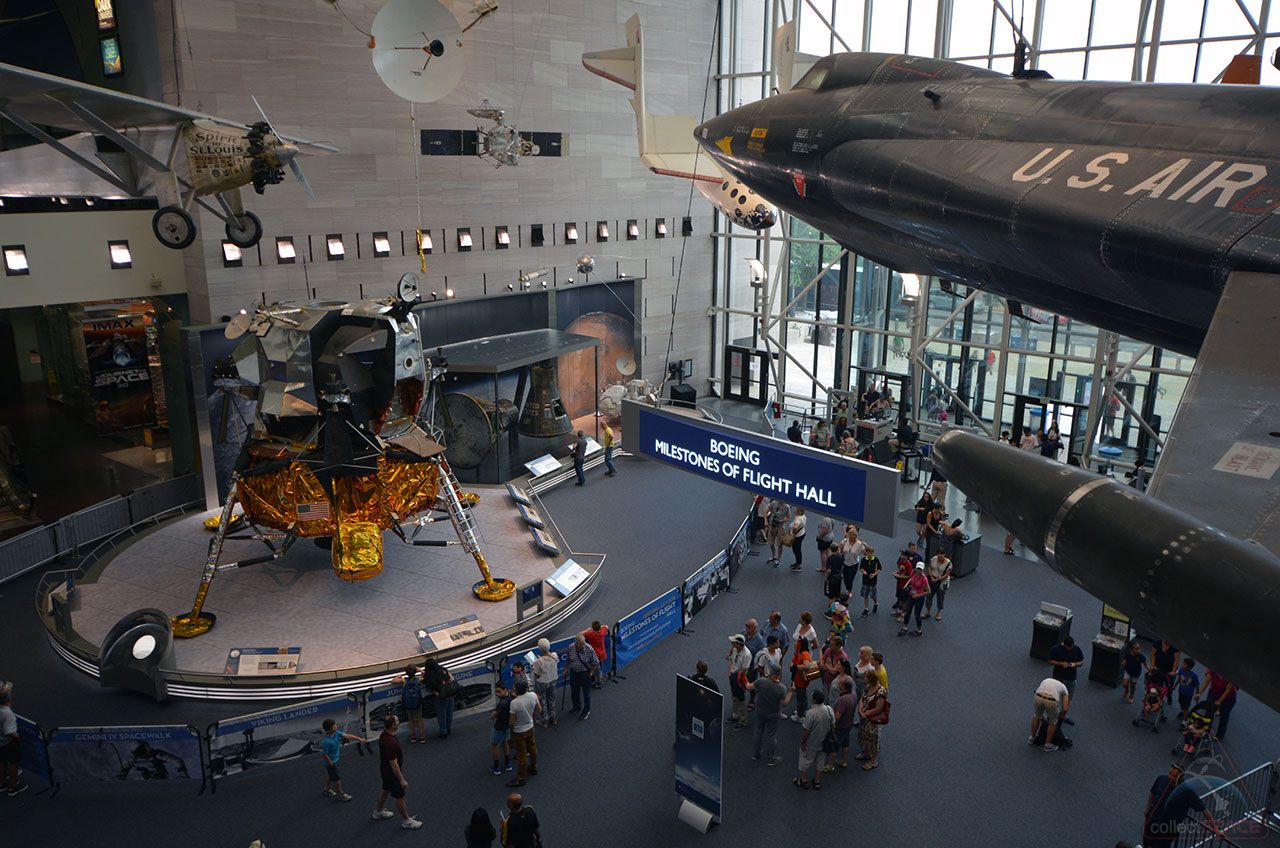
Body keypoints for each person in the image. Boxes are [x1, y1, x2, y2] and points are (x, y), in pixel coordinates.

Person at [1143, 763, 1222, 846]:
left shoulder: (1186, 791)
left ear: (1181, 777)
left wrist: (1215, 829)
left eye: (1174, 776)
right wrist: (1147, 809)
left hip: (1167, 829)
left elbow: (1204, 810)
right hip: (1152, 821)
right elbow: (1152, 793)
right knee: (1146, 843)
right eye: (1170, 773)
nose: (1170, 777)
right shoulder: (1161, 779)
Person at [371, 715, 422, 829]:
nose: (399, 722)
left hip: (385, 770)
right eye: (397, 721)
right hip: (392, 774)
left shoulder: (384, 735)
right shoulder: (390, 743)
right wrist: (402, 780)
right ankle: (407, 821)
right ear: (392, 725)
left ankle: (378, 812)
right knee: (400, 797)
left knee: (385, 790)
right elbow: (394, 765)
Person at [745, 664, 790, 766]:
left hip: (760, 711)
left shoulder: (762, 681)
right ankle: (771, 758)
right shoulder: (781, 688)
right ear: (779, 675)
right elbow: (784, 704)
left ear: (771, 673)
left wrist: (743, 676)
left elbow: (748, 687)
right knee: (771, 735)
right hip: (773, 714)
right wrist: (790, 693)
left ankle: (756, 754)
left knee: (758, 732)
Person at [793, 690, 833, 790]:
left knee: (805, 759)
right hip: (825, 741)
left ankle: (803, 780)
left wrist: (803, 742)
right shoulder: (829, 709)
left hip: (812, 742)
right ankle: (817, 781)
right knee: (821, 760)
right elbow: (833, 724)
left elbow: (806, 731)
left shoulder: (811, 713)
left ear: (814, 700)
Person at [320, 717, 365, 801]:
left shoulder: (337, 733)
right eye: (334, 726)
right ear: (329, 729)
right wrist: (331, 764)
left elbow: (347, 736)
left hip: (334, 760)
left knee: (331, 775)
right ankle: (341, 794)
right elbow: (325, 754)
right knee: (337, 778)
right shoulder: (326, 742)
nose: (336, 726)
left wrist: (359, 739)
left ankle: (326, 789)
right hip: (330, 763)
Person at [506, 679, 540, 787]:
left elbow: (512, 721)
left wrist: (511, 729)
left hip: (518, 731)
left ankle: (521, 778)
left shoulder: (514, 703)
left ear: (516, 690)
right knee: (532, 748)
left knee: (521, 754)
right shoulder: (533, 695)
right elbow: (538, 709)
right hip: (530, 727)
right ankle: (533, 767)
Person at [1048, 636, 1084, 725]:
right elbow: (1050, 661)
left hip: (1071, 678)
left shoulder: (1076, 649)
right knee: (1055, 698)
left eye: (1071, 647)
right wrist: (1061, 663)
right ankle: (1052, 716)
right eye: (1068, 647)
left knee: (1068, 699)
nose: (1070, 649)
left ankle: (1062, 716)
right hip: (1058, 678)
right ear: (1064, 644)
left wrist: (1076, 664)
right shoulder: (1056, 649)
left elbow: (1081, 662)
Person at [856, 670, 887, 769]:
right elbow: (862, 699)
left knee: (873, 739)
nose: (863, 679)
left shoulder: (881, 692)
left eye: (865, 678)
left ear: (871, 679)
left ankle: (873, 761)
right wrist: (860, 709)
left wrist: (865, 713)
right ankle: (866, 752)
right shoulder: (868, 687)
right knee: (865, 735)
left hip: (874, 720)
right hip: (865, 717)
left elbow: (878, 708)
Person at [824, 678, 857, 772]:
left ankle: (831, 766)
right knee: (845, 743)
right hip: (849, 723)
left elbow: (837, 716)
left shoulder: (843, 700)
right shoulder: (853, 695)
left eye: (840, 683)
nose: (838, 683)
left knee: (834, 746)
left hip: (840, 726)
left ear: (844, 687)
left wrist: (831, 722)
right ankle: (843, 761)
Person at [565, 634, 600, 720]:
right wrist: (566, 668)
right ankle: (577, 707)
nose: (583, 646)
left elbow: (596, 663)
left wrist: (591, 673)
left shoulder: (589, 649)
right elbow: (568, 659)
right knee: (574, 692)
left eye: (584, 643)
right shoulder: (570, 647)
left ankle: (586, 711)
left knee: (586, 694)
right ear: (576, 644)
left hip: (585, 673)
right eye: (581, 644)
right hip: (574, 672)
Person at [1029, 677, 1069, 753]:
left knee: (1036, 716)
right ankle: (1048, 745)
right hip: (1052, 700)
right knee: (1053, 722)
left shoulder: (1046, 680)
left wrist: (1042, 716)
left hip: (1038, 695)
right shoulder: (1064, 688)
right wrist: (1059, 715)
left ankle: (1031, 738)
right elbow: (1065, 709)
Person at [1198, 668, 1238, 741]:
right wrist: (1199, 693)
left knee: (1224, 715)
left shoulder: (1231, 674)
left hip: (1228, 698)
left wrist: (1219, 702)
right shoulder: (1212, 669)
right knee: (1208, 712)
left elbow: (1228, 690)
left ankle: (1220, 734)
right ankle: (1206, 730)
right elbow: (1206, 681)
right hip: (1213, 693)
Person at [0, 683, 25, 797]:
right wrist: (18, 738)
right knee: (13, 764)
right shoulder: (8, 714)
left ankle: (1, 783)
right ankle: (13, 787)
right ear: (8, 700)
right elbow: (9, 732)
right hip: (9, 743)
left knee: (1, 761)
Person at [394, 664, 427, 744]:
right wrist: (421, 670)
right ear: (415, 672)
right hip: (417, 703)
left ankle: (413, 736)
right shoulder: (418, 680)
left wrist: (398, 676)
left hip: (408, 704)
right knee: (419, 719)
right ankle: (422, 737)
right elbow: (426, 676)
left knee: (411, 720)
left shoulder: (404, 680)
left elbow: (393, 681)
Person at [726, 633, 752, 730]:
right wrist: (730, 672)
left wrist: (737, 680)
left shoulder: (747, 654)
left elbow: (744, 670)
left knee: (740, 699)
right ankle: (735, 715)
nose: (732, 643)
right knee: (734, 697)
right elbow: (730, 659)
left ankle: (743, 721)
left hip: (740, 679)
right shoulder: (734, 649)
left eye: (734, 642)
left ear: (739, 644)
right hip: (733, 676)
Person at [531, 639, 559, 728]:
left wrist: (534, 666)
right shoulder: (554, 655)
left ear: (540, 648)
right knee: (551, 699)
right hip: (553, 680)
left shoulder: (538, 661)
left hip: (542, 683)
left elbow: (537, 674)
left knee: (542, 701)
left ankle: (545, 720)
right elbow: (550, 658)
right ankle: (553, 718)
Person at [898, 563, 930, 637]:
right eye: (918, 569)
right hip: (911, 596)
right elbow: (910, 580)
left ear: (923, 570)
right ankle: (905, 627)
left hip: (919, 598)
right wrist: (906, 586)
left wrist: (918, 595)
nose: (919, 570)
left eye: (920, 569)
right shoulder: (914, 574)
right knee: (907, 611)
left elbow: (928, 591)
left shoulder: (924, 578)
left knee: (917, 614)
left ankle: (919, 630)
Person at [489, 682, 514, 775]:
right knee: (504, 742)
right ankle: (508, 763)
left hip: (499, 726)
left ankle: (496, 767)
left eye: (499, 692)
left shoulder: (501, 704)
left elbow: (492, 717)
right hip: (507, 725)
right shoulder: (511, 699)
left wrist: (492, 712)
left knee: (494, 745)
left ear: (505, 690)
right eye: (496, 692)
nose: (497, 694)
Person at [790, 636, 815, 723]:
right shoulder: (800, 652)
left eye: (797, 642)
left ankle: (800, 716)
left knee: (800, 698)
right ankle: (803, 711)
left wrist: (796, 666)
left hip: (801, 681)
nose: (795, 643)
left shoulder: (804, 654)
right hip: (799, 679)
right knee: (803, 696)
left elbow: (807, 666)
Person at [924, 550, 952, 622]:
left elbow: (947, 574)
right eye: (939, 554)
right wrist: (931, 577)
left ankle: (939, 612)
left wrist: (938, 579)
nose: (940, 556)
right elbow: (929, 568)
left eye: (942, 554)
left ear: (944, 554)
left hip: (942, 582)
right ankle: (928, 611)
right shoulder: (934, 559)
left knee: (940, 598)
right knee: (929, 596)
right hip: (932, 580)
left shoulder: (948, 563)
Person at [819, 633, 848, 701]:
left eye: (832, 645)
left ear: (838, 646)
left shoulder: (843, 657)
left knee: (832, 699)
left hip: (836, 683)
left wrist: (826, 665)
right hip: (826, 678)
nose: (830, 646)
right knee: (826, 695)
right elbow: (822, 661)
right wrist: (828, 666)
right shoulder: (829, 650)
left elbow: (833, 672)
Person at [1151, 640, 1181, 705]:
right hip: (1158, 669)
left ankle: (1169, 697)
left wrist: (1173, 671)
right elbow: (1153, 655)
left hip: (1169, 671)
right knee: (1157, 685)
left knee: (1169, 687)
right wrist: (1153, 666)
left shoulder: (1175, 647)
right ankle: (1156, 699)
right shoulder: (1157, 643)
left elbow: (1176, 660)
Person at [583, 621, 610, 688]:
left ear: (592, 627)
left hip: (594, 656)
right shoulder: (602, 631)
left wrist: (588, 630)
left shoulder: (590, 634)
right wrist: (600, 627)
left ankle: (599, 682)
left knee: (596, 669)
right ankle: (597, 680)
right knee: (599, 668)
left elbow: (580, 635)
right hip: (602, 654)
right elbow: (606, 626)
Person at [766, 499, 791, 566]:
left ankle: (778, 559)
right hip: (772, 525)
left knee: (780, 544)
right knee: (771, 542)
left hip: (780, 527)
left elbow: (788, 518)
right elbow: (766, 511)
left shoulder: (787, 507)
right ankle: (774, 555)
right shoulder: (773, 503)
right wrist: (766, 521)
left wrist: (781, 520)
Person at [859, 545, 881, 616]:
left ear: (873, 553)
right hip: (865, 580)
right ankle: (866, 609)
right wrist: (863, 571)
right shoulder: (863, 560)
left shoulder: (876, 560)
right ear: (866, 552)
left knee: (873, 596)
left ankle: (876, 603)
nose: (869, 554)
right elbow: (861, 568)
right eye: (868, 552)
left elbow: (879, 569)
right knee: (865, 595)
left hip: (873, 581)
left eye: (871, 553)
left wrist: (874, 574)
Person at [787, 506, 808, 571]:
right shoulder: (803, 516)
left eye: (796, 510)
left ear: (799, 511)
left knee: (796, 550)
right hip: (802, 534)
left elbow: (795, 527)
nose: (794, 510)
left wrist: (792, 532)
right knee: (797, 549)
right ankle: (797, 563)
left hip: (797, 537)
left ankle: (798, 566)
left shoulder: (797, 519)